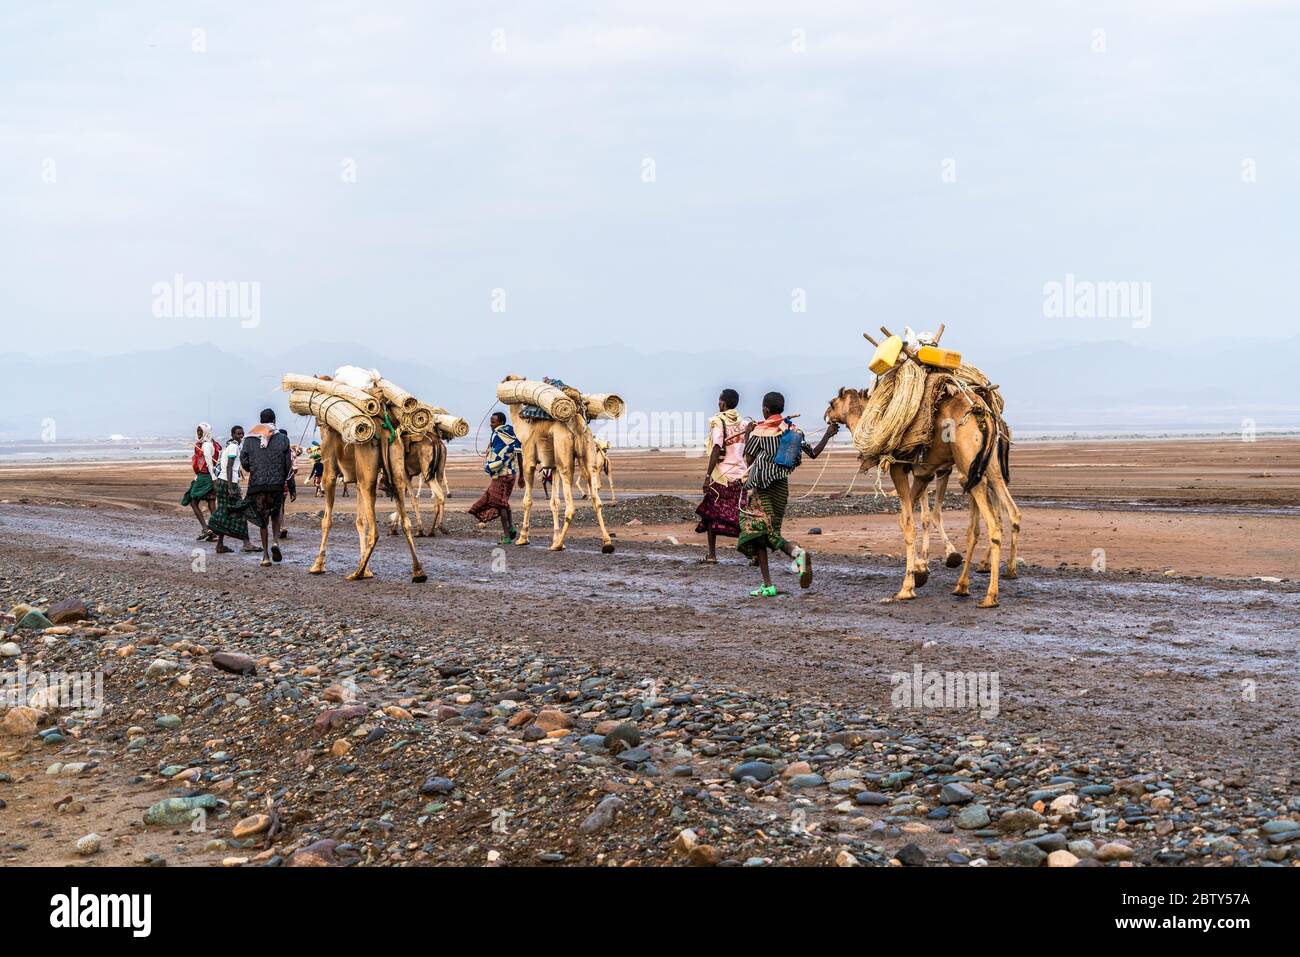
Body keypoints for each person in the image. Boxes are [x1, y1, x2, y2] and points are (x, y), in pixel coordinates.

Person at [737, 391, 838, 597]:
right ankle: (768, 585)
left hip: (762, 488)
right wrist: (828, 433)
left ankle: (797, 554)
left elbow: (748, 459)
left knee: (760, 532)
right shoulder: (793, 430)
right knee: (763, 535)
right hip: (781, 488)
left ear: (765, 409)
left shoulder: (759, 432)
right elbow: (814, 453)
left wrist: (748, 433)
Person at [694, 388, 748, 564]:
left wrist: (707, 476)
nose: (718, 403)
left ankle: (712, 555)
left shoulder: (718, 422)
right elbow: (745, 450)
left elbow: (716, 448)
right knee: (741, 514)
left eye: (719, 400)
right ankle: (753, 553)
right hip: (740, 475)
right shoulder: (744, 424)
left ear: (723, 403)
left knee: (710, 513)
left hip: (722, 476)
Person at [238, 409, 294, 567]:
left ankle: (265, 556)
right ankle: (275, 542)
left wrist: (254, 468)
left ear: (260, 421)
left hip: (257, 485)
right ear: (274, 421)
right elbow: (287, 464)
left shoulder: (249, 439)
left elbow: (245, 462)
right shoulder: (283, 438)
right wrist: (288, 483)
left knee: (263, 519)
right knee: (276, 514)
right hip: (276, 485)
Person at [468, 411, 521, 543]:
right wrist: (522, 476)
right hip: (512, 474)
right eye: (491, 422)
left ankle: (507, 536)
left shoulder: (497, 434)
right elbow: (519, 454)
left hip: (501, 475)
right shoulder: (513, 433)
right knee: (503, 502)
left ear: (501, 422)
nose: (491, 425)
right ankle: (512, 529)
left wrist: (489, 465)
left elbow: (497, 456)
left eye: (493, 422)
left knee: (499, 505)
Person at [207, 426, 255, 553]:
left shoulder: (230, 446)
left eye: (242, 433)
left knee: (224, 512)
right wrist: (230, 487)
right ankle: (247, 543)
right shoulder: (234, 447)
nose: (241, 436)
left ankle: (220, 545)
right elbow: (229, 466)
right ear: (233, 435)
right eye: (238, 434)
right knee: (240, 510)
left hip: (222, 482)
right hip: (229, 483)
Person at [181, 423, 220, 540]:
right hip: (208, 476)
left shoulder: (206, 445)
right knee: (211, 503)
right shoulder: (212, 443)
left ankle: (206, 528)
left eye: (201, 431)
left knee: (193, 501)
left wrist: (213, 478)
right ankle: (214, 532)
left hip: (206, 477)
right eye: (198, 431)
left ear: (206, 432)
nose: (198, 433)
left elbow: (208, 462)